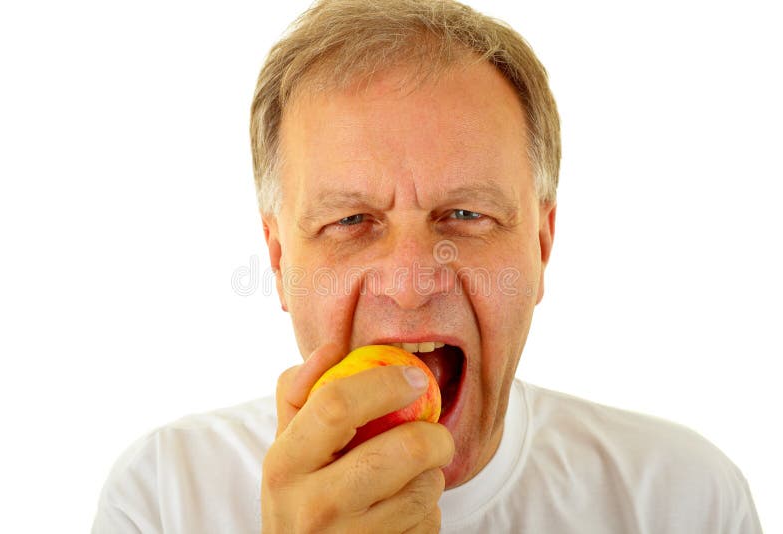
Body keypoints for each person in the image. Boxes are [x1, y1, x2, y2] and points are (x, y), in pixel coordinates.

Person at [92, 0, 762, 532]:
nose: (411, 285)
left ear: (541, 246)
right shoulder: (162, 499)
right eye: (350, 222)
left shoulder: (687, 502)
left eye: (467, 216)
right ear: (278, 261)